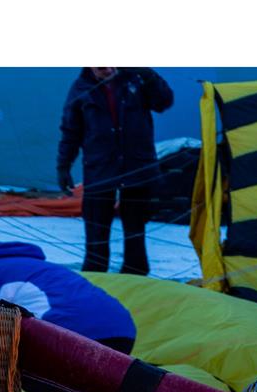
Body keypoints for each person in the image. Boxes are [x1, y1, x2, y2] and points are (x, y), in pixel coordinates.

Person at [0, 239, 137, 392]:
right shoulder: (43, 266)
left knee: (33, 378)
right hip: (122, 329)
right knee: (102, 386)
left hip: (70, 333)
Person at [56, 66, 174, 276]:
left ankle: (136, 274)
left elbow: (164, 102)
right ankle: (95, 275)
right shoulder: (80, 89)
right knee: (96, 230)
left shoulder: (137, 79)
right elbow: (70, 131)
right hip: (99, 169)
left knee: (135, 229)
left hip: (137, 168)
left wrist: (147, 72)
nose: (105, 68)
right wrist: (63, 166)